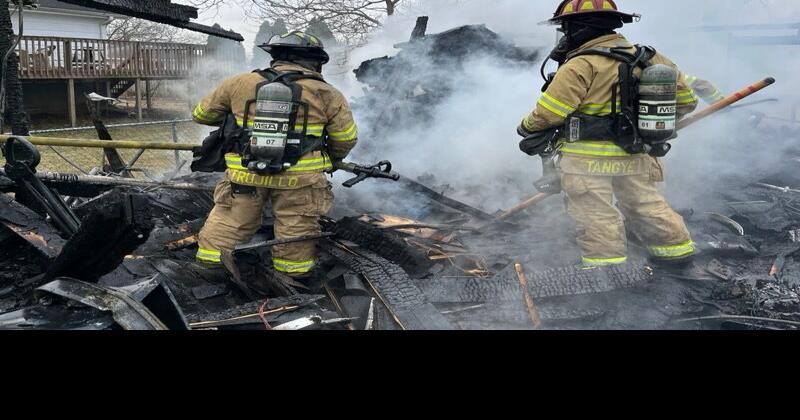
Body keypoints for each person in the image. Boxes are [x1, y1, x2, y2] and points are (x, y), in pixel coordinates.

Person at [518, 0, 699, 268]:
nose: (565, 35)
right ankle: (676, 253)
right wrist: (651, 125)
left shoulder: (580, 64)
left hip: (585, 161)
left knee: (595, 213)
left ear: (579, 28)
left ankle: (607, 269)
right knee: (646, 204)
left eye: (566, 29)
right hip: (636, 153)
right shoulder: (650, 58)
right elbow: (687, 101)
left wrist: (525, 128)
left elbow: (549, 114)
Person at [191, 31, 359, 287]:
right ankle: (293, 278)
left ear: (276, 57)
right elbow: (345, 138)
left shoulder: (238, 83)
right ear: (315, 62)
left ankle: (210, 268)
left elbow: (202, 114)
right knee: (296, 225)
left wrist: (236, 116)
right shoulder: (327, 93)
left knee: (230, 219)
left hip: (245, 172)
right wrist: (334, 159)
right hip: (300, 178)